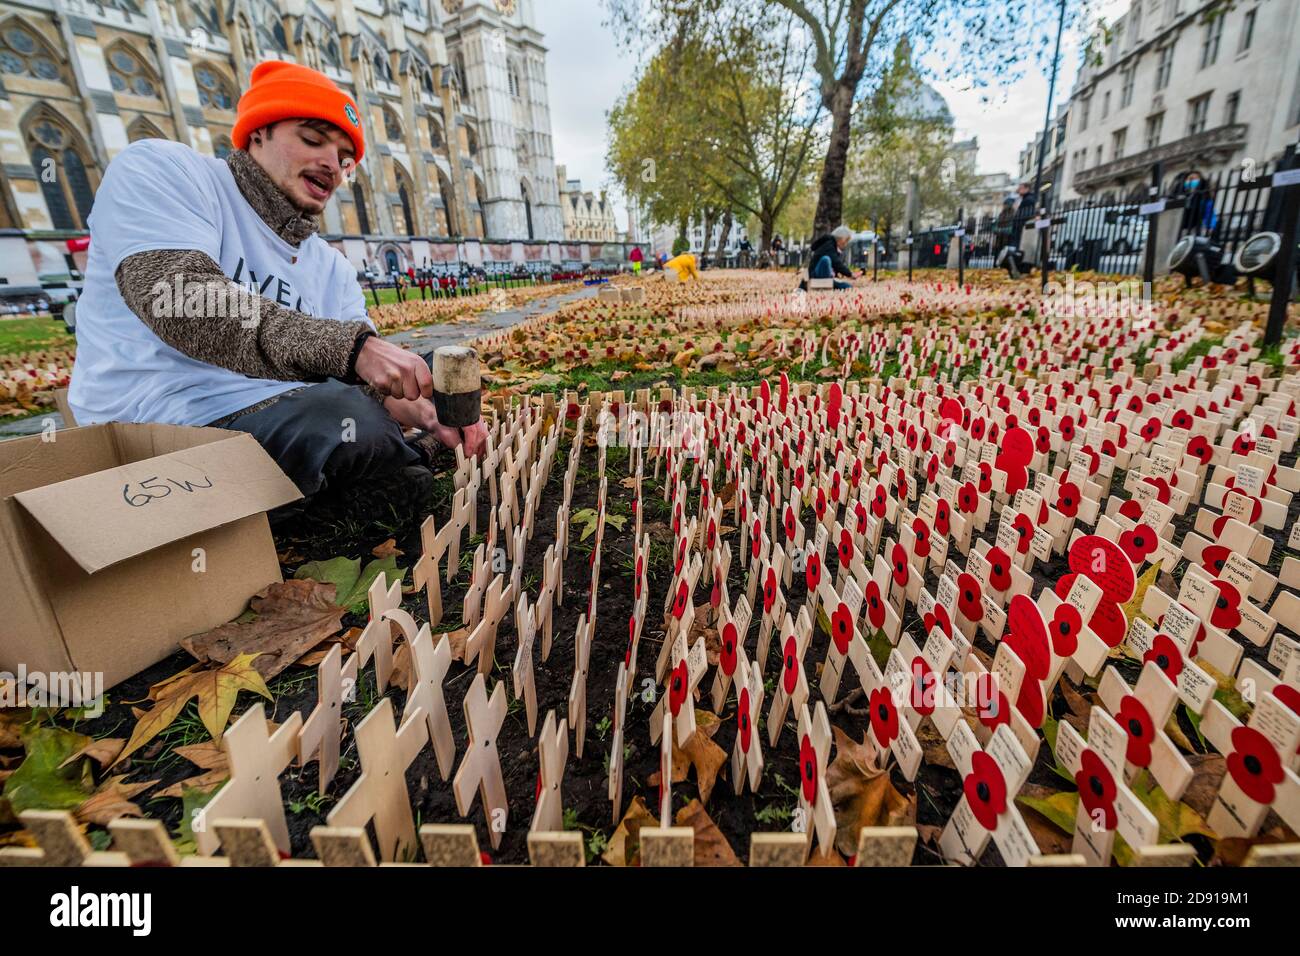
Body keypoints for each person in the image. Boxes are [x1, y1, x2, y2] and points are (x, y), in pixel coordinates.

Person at [68, 60, 487, 509]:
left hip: (286, 406)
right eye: (312, 139)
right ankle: (392, 465)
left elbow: (356, 376)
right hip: (162, 416)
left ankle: (380, 468)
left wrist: (419, 404)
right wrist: (355, 351)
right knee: (345, 419)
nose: (333, 165)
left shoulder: (329, 264)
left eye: (345, 159)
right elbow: (179, 298)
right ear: (258, 133)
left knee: (427, 372)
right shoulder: (165, 169)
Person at [799, 225, 857, 291]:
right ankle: (825, 286)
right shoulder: (829, 245)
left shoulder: (832, 246)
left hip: (824, 276)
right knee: (825, 259)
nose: (846, 244)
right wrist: (850, 274)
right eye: (846, 241)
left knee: (848, 286)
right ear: (841, 239)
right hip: (816, 276)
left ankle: (829, 285)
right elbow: (836, 263)